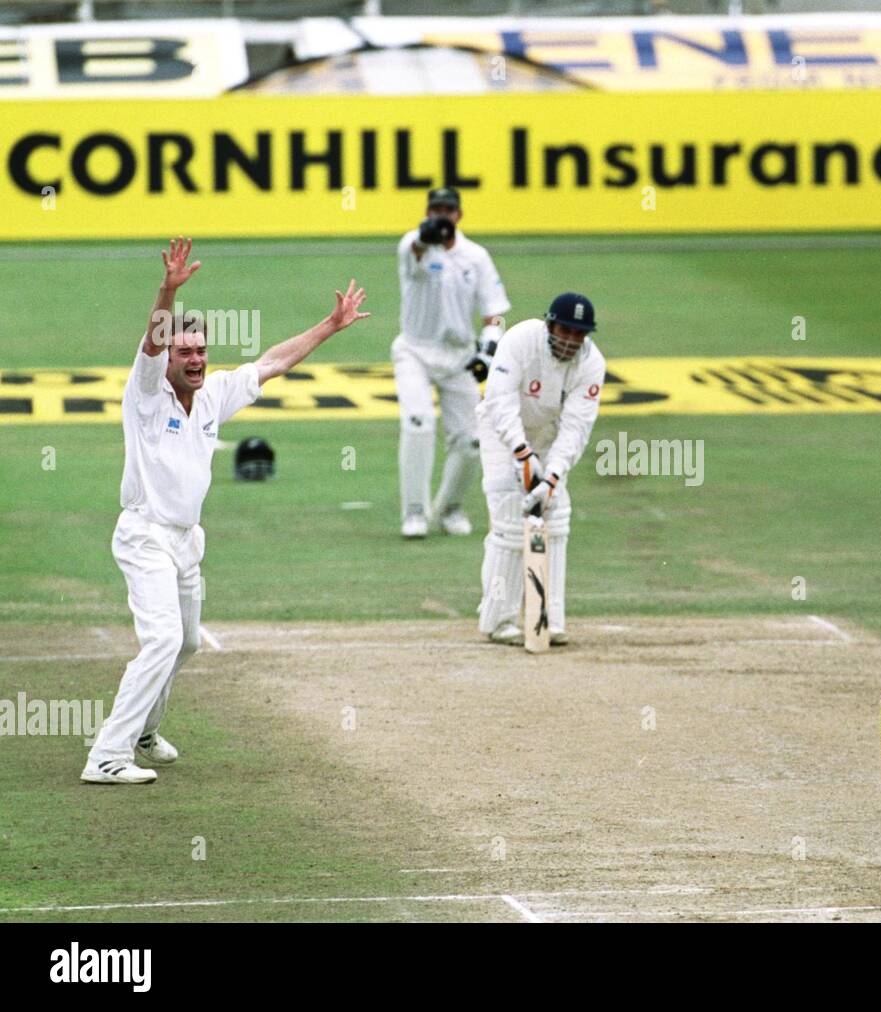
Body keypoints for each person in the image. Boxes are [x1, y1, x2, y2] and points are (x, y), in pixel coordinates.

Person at [82, 238, 370, 785]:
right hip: (144, 535)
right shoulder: (144, 394)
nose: (194, 360)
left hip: (186, 541)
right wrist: (169, 288)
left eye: (199, 351)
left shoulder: (213, 394)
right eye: (183, 352)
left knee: (187, 642)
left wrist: (330, 326)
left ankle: (143, 728)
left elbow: (272, 362)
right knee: (163, 640)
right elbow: (151, 338)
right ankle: (106, 756)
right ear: (166, 356)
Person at [476, 293, 605, 646]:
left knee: (556, 513)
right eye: (565, 331)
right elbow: (499, 401)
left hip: (548, 436)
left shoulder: (591, 363)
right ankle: (498, 620)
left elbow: (577, 427)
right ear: (550, 324)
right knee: (508, 520)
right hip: (500, 431)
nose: (571, 341)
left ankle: (548, 616)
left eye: (579, 334)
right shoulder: (520, 339)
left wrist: (552, 476)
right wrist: (521, 453)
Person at [393, 186, 511, 538]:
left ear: (459, 214)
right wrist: (424, 239)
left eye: (449, 210)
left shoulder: (476, 257)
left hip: (459, 355)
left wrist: (487, 352)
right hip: (414, 350)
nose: (443, 216)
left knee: (472, 441)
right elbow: (413, 257)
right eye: (436, 210)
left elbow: (495, 315)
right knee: (418, 422)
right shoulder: (411, 244)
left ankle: (448, 508)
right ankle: (414, 511)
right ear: (428, 212)